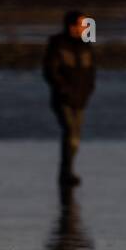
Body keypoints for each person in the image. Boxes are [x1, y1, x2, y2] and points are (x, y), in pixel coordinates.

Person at [43, 10, 96, 185]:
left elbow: (90, 71)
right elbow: (50, 71)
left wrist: (88, 89)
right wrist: (63, 89)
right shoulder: (58, 44)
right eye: (82, 24)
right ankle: (66, 172)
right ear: (72, 26)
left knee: (75, 137)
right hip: (63, 98)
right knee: (71, 134)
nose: (85, 27)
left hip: (81, 98)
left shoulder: (86, 44)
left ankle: (67, 170)